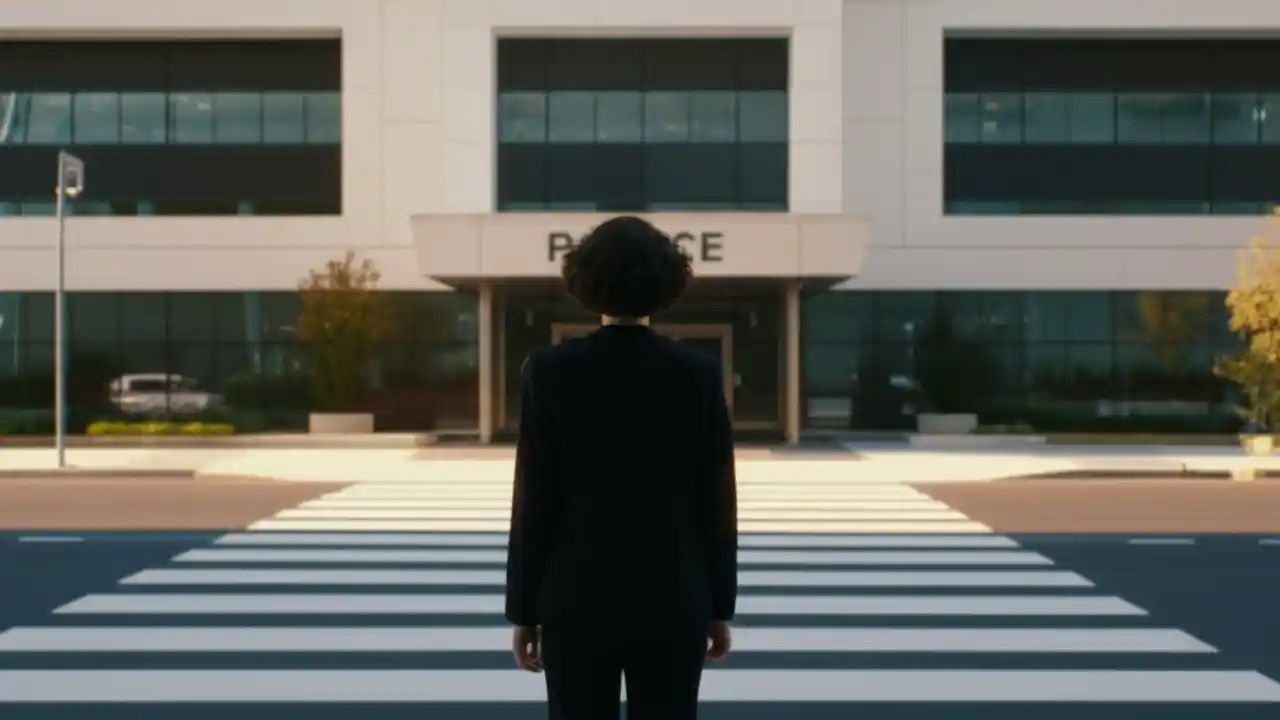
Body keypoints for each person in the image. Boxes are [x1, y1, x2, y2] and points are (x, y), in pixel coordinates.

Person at [504, 215, 739, 719]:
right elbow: (716, 498)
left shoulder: (549, 372)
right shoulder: (697, 374)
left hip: (575, 592)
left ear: (585, 281)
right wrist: (719, 605)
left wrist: (523, 610)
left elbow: (534, 498)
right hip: (674, 589)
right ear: (667, 283)